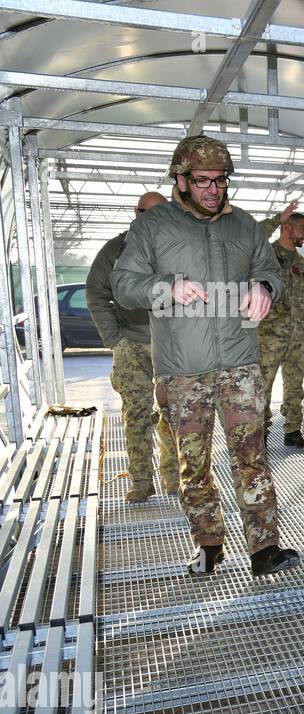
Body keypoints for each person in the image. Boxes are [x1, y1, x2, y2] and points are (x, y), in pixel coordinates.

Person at [111, 134, 300, 576]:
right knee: (193, 464)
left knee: (252, 457)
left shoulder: (245, 226)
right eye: (202, 181)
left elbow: (270, 271)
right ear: (180, 180)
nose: (213, 190)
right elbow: (123, 284)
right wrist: (165, 287)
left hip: (240, 362)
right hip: (182, 369)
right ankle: (209, 543)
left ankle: (264, 548)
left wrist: (265, 287)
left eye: (220, 180)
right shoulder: (153, 227)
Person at [85, 190, 179, 502]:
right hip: (133, 346)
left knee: (175, 414)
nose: (151, 219)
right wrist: (114, 339)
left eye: (160, 213)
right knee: (137, 414)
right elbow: (96, 292)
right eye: (144, 212)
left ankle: (173, 477)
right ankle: (141, 481)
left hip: (173, 347)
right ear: (135, 213)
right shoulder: (116, 250)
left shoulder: (181, 248)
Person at [258, 203, 304, 448]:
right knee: (262, 386)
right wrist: (277, 217)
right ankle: (259, 434)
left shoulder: (303, 264)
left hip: (297, 337)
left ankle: (293, 430)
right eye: (302, 228)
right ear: (287, 228)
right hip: (269, 336)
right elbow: (251, 237)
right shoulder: (265, 256)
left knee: (296, 384)